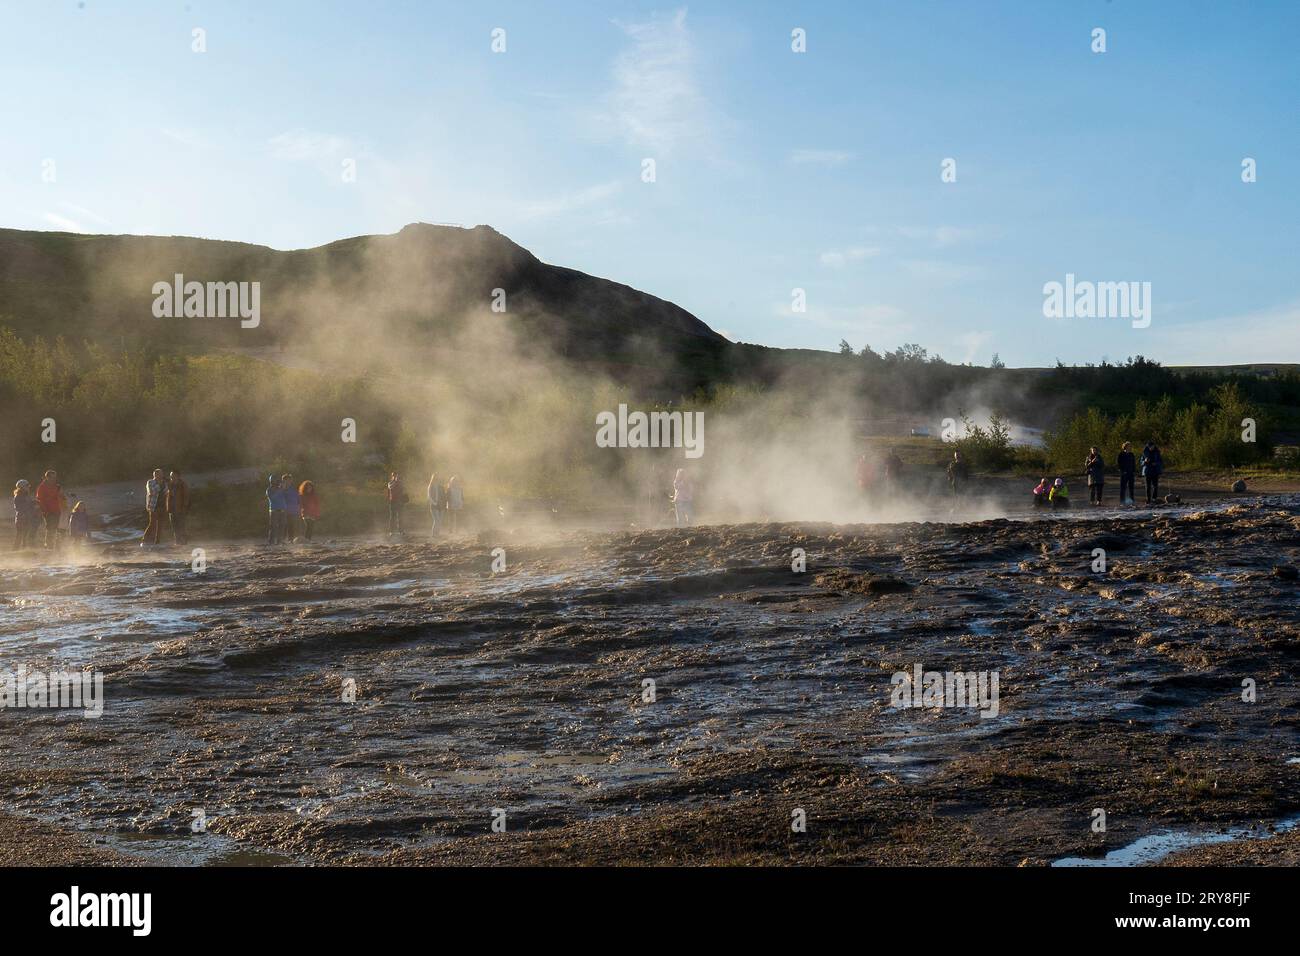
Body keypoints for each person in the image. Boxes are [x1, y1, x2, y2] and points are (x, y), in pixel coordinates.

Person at [35, 470, 62, 549]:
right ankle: (49, 545)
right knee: (50, 527)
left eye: (55, 477)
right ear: (47, 477)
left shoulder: (56, 486)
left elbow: (59, 496)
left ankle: (54, 545)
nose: (54, 479)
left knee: (55, 527)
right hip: (48, 511)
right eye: (52, 477)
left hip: (56, 509)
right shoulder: (42, 487)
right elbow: (40, 499)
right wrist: (45, 510)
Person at [141, 469, 167, 546]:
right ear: (155, 475)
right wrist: (159, 484)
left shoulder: (164, 483)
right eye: (159, 474)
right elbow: (151, 492)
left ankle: (157, 541)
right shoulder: (150, 482)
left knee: (160, 524)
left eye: (162, 474)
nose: (161, 475)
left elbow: (166, 492)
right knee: (152, 524)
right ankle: (144, 540)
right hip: (153, 506)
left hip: (162, 505)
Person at [166, 470, 190, 545]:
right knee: (174, 527)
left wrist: (184, 507)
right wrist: (168, 508)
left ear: (178, 476)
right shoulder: (170, 485)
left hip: (180, 508)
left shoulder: (182, 484)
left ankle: (184, 542)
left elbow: (186, 497)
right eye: (170, 476)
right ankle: (177, 542)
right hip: (172, 509)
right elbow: (168, 497)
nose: (171, 477)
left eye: (173, 475)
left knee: (181, 526)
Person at [12, 480, 37, 550]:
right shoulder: (18, 497)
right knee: (19, 534)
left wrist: (34, 502)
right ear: (22, 487)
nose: (28, 488)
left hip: (27, 517)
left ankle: (24, 548)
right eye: (27, 486)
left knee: (25, 534)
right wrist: (31, 504)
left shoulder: (26, 495)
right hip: (21, 518)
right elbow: (19, 508)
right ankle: (15, 549)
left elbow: (28, 505)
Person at [265, 475, 287, 545]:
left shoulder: (280, 489)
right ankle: (271, 542)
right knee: (273, 527)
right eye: (275, 480)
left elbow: (286, 495)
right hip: (274, 511)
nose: (277, 482)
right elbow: (272, 498)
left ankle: (279, 541)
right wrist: (279, 489)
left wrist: (283, 487)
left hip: (282, 510)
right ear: (271, 481)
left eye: (277, 480)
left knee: (282, 526)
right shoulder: (269, 490)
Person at [280, 474, 300, 543]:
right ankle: (282, 540)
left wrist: (298, 506)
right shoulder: (281, 488)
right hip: (284, 510)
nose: (289, 481)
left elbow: (297, 498)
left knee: (292, 525)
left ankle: (290, 540)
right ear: (283, 480)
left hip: (294, 510)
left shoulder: (293, 488)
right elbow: (280, 497)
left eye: (290, 480)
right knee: (284, 525)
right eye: (287, 480)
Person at [1116, 441, 1137, 505]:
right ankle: (1122, 501)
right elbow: (1119, 464)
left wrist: (1134, 471)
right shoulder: (1121, 454)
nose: (1130, 447)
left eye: (1130, 446)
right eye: (1128, 446)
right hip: (1124, 473)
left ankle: (1132, 501)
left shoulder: (1131, 454)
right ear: (1125, 447)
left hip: (1131, 473)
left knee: (1131, 488)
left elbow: (1133, 464)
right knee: (1123, 488)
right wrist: (1122, 471)